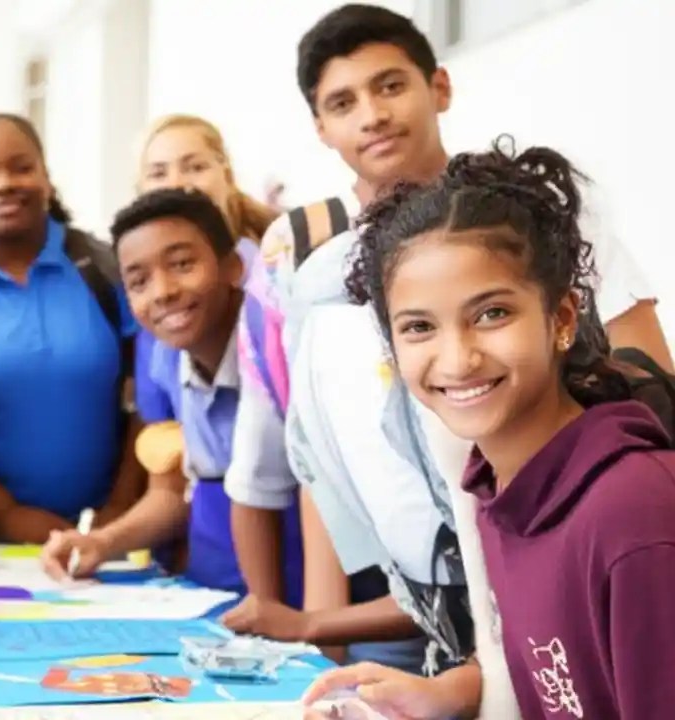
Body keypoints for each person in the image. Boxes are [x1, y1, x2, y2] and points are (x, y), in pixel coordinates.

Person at [225, 3, 670, 681]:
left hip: (581, 550)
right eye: (419, 327)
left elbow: (648, 386)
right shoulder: (311, 268)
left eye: (391, 85)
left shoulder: (541, 217)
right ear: (320, 126)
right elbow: (314, 453)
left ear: (439, 86)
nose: (372, 114)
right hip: (459, 612)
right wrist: (325, 634)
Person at [305, 141, 675, 719]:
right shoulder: (500, 491)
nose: (457, 360)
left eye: (491, 314)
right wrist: (443, 694)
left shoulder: (632, 511)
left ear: (561, 319)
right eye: (419, 327)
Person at [41, 188, 304, 601]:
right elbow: (174, 493)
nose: (162, 291)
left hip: (297, 609)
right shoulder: (167, 359)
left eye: (182, 264)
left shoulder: (283, 356)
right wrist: (101, 543)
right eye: (139, 281)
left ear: (233, 267)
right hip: (214, 602)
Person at [0, 113, 144, 543]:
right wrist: (6, 513)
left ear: (46, 177)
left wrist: (119, 507)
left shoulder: (105, 269)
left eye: (21, 167)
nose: (4, 183)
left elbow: (148, 401)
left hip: (102, 530)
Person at [133, 114, 306, 602]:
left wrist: (316, 617)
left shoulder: (276, 285)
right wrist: (103, 541)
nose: (179, 184)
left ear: (226, 175)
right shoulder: (158, 319)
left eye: (195, 166)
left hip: (298, 567)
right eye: (159, 171)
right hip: (209, 579)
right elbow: (170, 484)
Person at [136, 114, 277, 243]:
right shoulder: (126, 264)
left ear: (226, 175)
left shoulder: (283, 246)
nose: (176, 184)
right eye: (158, 174)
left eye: (195, 167)